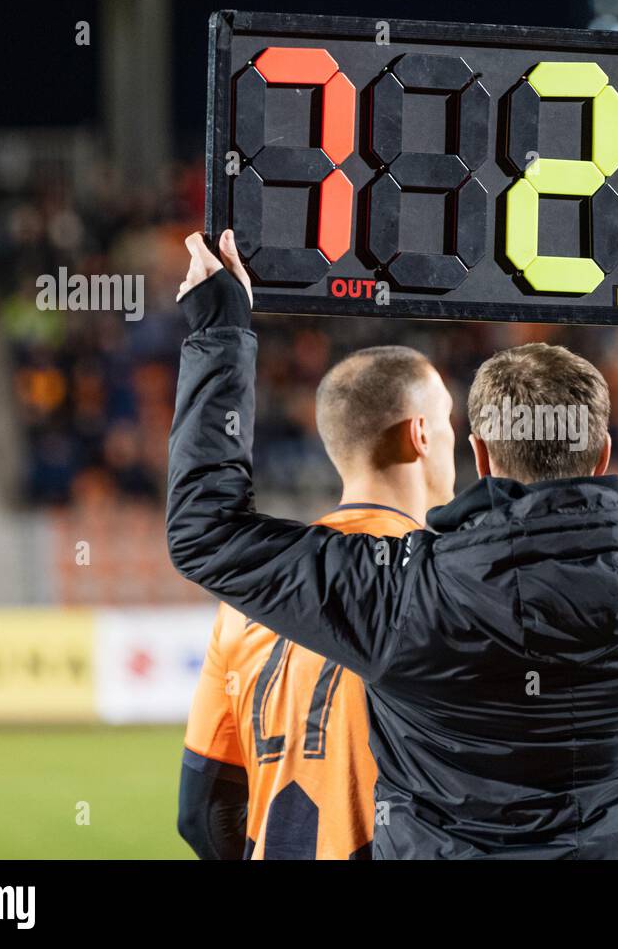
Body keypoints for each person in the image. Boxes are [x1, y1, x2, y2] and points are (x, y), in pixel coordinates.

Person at [167, 193, 618, 858]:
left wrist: (220, 326)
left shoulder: (407, 591)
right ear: (601, 452)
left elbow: (204, 532)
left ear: (481, 454)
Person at [177, 345, 456, 858]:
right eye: (447, 420)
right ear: (421, 434)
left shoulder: (245, 598)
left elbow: (202, 810)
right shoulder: (444, 587)